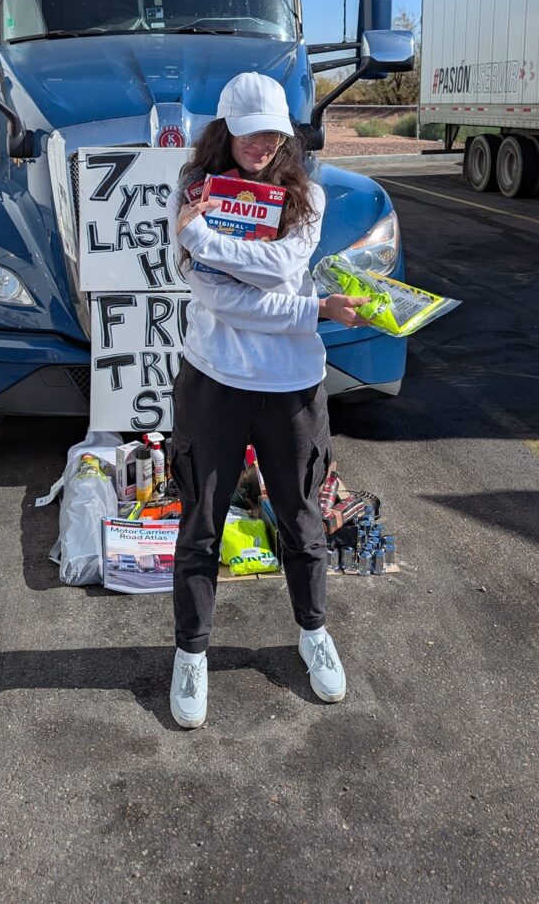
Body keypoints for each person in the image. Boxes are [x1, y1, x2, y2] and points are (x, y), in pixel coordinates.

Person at [166, 72, 370, 729]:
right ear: (225, 128)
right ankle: (191, 651)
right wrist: (305, 309)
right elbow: (214, 293)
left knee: (303, 519)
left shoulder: (303, 194)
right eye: (248, 129)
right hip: (214, 381)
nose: (260, 143)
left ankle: (313, 631)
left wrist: (200, 241)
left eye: (272, 131)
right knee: (199, 522)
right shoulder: (194, 189)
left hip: (291, 389)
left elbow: (277, 272)